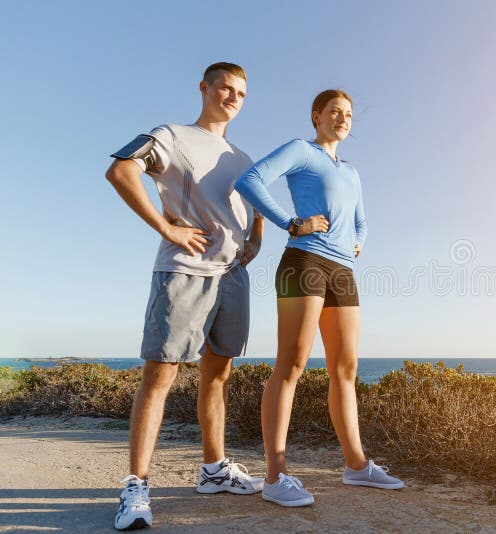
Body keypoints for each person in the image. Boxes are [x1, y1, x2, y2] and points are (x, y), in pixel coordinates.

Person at [105, 62, 265, 530]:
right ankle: (136, 485)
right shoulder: (172, 135)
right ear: (205, 88)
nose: (233, 97)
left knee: (218, 375)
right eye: (225, 88)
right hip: (184, 271)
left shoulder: (244, 156)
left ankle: (214, 471)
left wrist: (254, 242)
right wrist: (166, 226)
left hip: (231, 278)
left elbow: (254, 206)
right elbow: (120, 172)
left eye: (241, 92)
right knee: (160, 376)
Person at [234, 89, 403, 508]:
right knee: (290, 365)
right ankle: (275, 476)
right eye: (334, 112)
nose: (343, 119)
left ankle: (356, 466)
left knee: (345, 369)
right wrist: (292, 223)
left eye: (348, 114)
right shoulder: (301, 151)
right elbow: (249, 180)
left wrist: (358, 243)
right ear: (317, 116)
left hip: (342, 271)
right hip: (304, 261)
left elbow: (362, 221)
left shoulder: (351, 171)